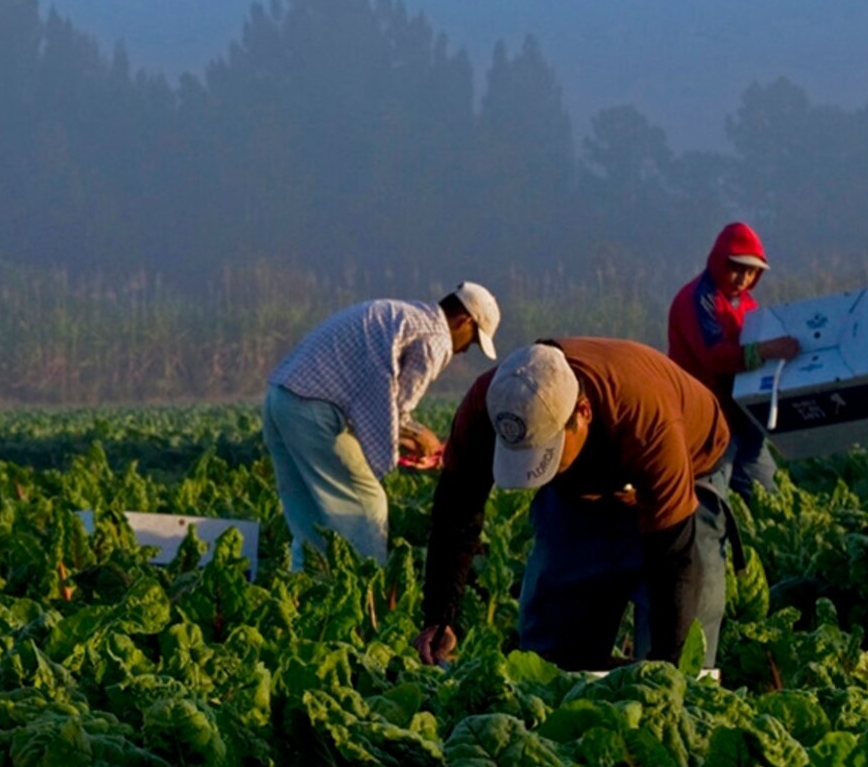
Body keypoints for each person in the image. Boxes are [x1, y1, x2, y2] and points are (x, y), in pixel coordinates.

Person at [415, 337, 732, 673]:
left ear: (582, 413)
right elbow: (456, 513)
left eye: (544, 453)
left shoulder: (644, 415)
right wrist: (440, 617)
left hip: (688, 475)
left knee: (681, 650)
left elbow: (674, 556)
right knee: (551, 658)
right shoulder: (488, 402)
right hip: (581, 491)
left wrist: (667, 679)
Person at [261, 284, 501, 566]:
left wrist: (405, 436)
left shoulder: (403, 315)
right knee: (367, 504)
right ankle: (367, 590)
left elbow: (374, 397)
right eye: (471, 341)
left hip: (280, 399)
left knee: (309, 519)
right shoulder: (435, 337)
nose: (462, 351)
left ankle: (306, 586)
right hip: (312, 410)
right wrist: (423, 438)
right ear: (464, 321)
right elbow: (399, 408)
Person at [665, 221, 801, 494]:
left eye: (751, 272)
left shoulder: (747, 304)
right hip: (707, 420)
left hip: (743, 415)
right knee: (710, 497)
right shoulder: (698, 300)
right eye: (736, 268)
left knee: (768, 497)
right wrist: (766, 350)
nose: (743, 278)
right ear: (719, 261)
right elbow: (713, 357)